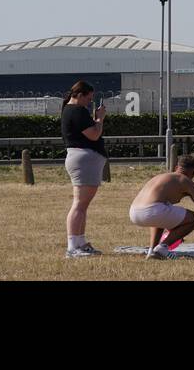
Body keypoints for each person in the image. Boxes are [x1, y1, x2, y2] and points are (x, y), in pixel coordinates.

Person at [128, 153, 194, 258]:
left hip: (134, 212)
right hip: (152, 210)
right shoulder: (186, 181)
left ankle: (152, 251)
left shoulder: (161, 176)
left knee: (161, 215)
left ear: (176, 167)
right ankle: (163, 247)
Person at [61, 80, 107, 259]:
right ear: (79, 95)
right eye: (88, 98)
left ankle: (80, 242)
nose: (89, 102)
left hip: (84, 159)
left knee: (82, 205)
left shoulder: (71, 110)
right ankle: (73, 246)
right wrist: (99, 118)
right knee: (79, 204)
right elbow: (94, 135)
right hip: (83, 159)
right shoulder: (77, 111)